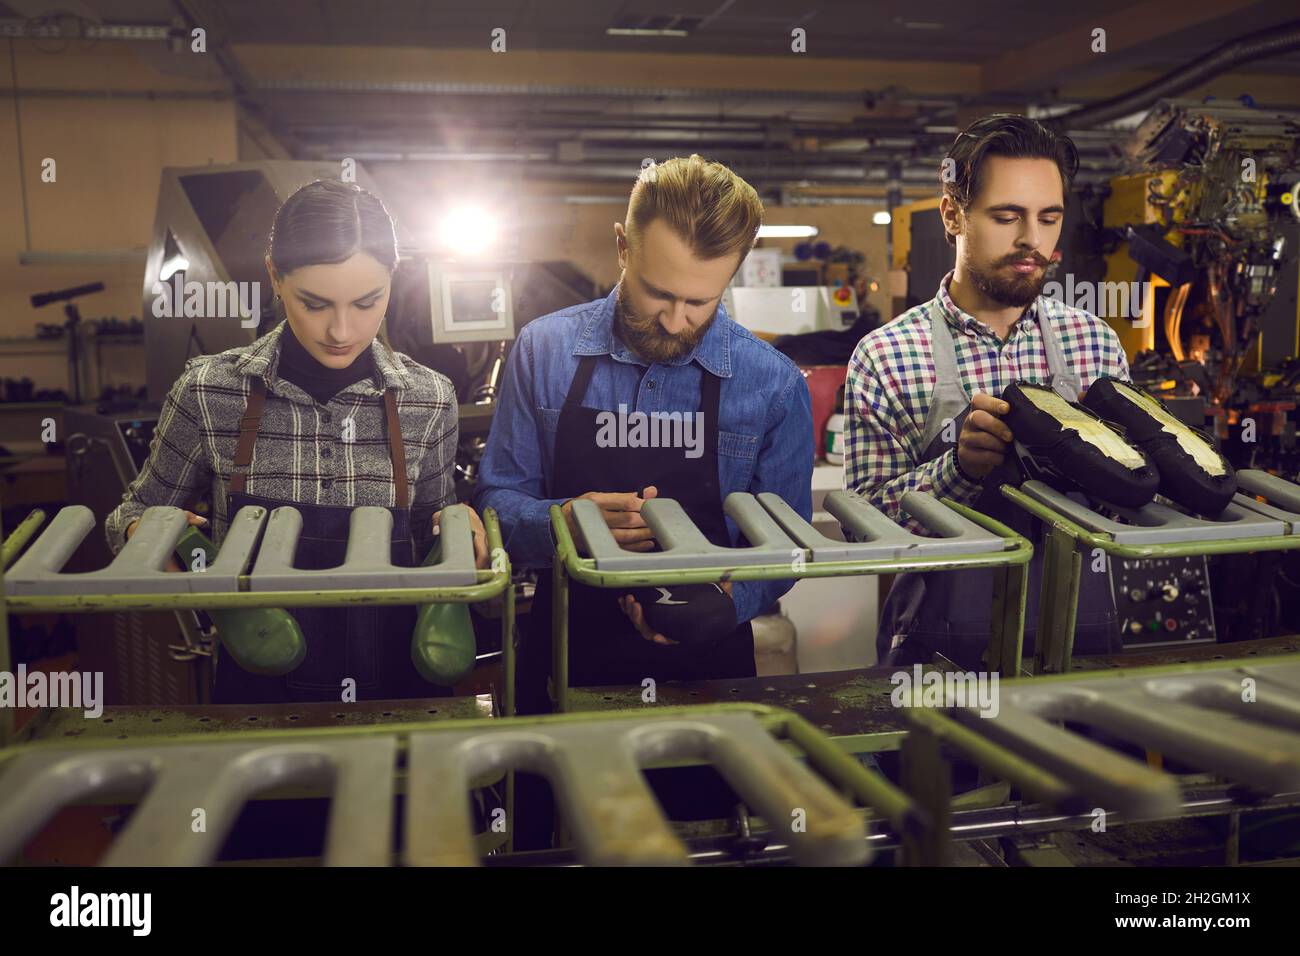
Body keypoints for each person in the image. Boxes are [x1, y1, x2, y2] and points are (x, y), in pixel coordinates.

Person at [106, 179, 489, 704]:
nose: (341, 330)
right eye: (315, 303)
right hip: (257, 699)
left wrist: (459, 529)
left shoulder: (428, 398)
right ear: (275, 277)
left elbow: (430, 529)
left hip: (401, 698)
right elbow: (133, 512)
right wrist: (141, 532)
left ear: (391, 282)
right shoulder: (209, 391)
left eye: (366, 301)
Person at [474, 154, 814, 713]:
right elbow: (494, 501)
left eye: (700, 302)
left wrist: (729, 602)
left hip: (710, 677)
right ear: (623, 248)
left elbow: (790, 543)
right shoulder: (544, 351)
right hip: (565, 661)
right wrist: (562, 523)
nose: (676, 320)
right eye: (658, 292)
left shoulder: (772, 384)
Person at [844, 114, 1131, 670]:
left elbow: (1130, 513)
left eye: (1049, 218)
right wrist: (960, 470)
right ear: (952, 214)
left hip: (1081, 646)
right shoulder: (886, 357)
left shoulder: (1094, 345)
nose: (1033, 240)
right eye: (1007, 216)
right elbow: (862, 537)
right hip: (942, 658)